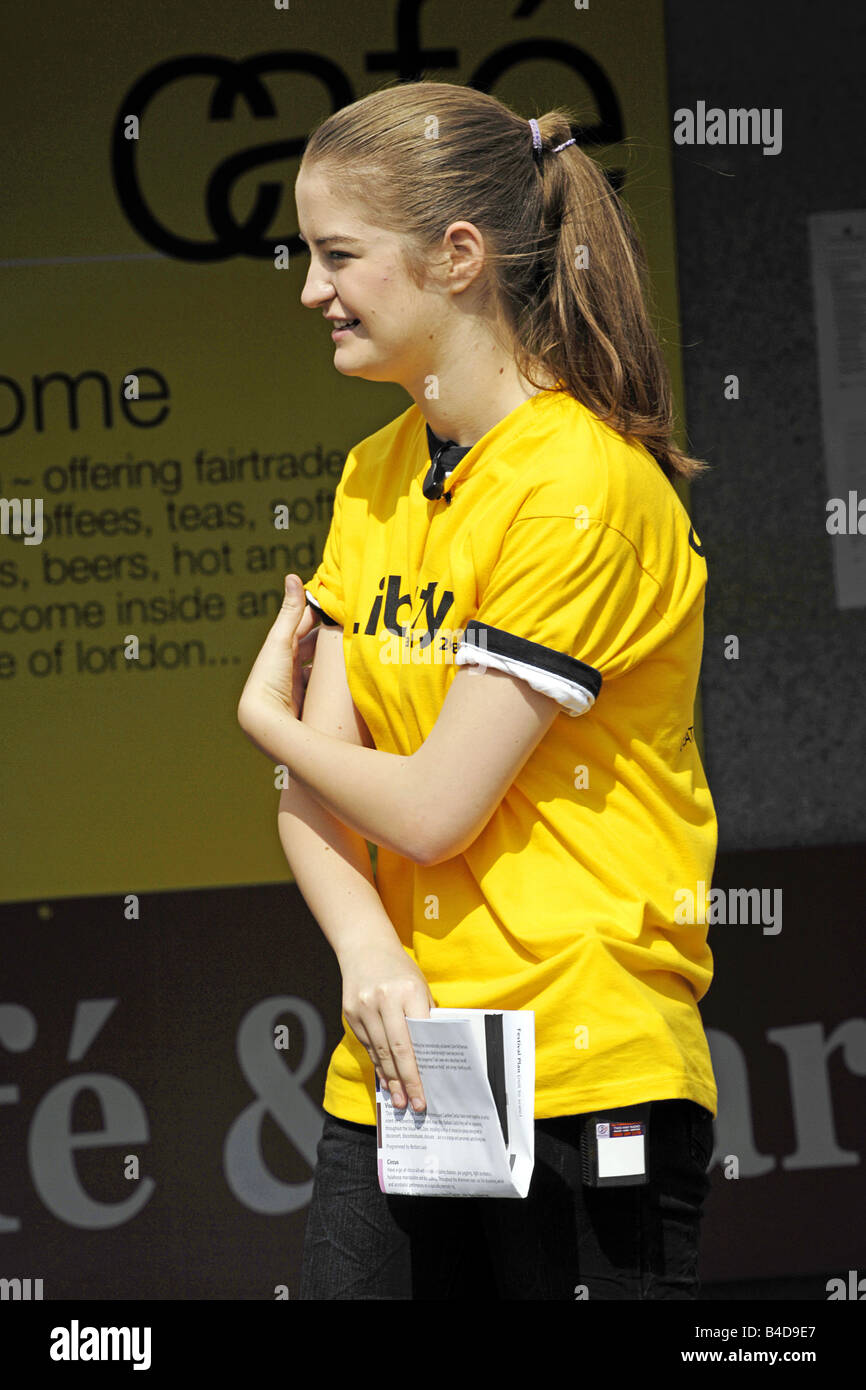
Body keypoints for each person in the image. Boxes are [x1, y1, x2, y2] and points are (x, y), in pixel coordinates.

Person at [236, 79, 718, 1300]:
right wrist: (364, 952)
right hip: (402, 1059)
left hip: (583, 1061)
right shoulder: (371, 472)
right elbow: (324, 787)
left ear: (458, 257)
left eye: (337, 254)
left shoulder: (582, 486)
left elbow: (432, 806)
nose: (307, 289)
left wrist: (264, 722)